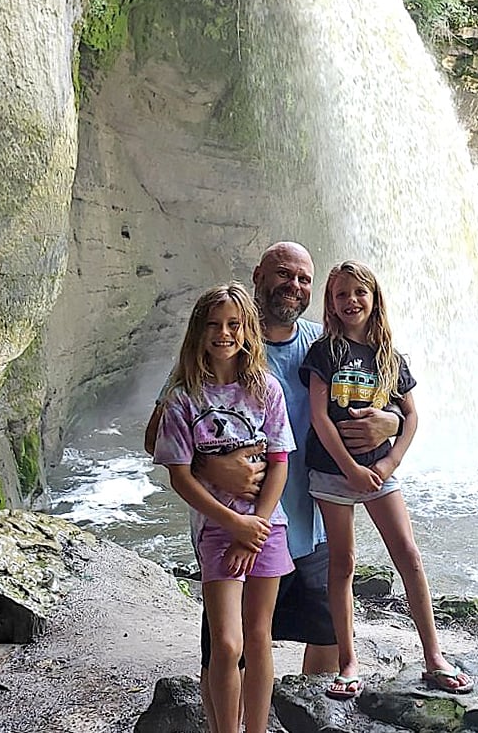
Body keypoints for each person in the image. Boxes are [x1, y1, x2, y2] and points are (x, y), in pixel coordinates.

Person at [145, 243, 401, 728]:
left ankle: (301, 719)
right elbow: (156, 438)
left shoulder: (322, 344)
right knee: (226, 645)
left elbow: (392, 392)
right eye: (284, 274)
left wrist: (388, 422)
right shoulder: (213, 350)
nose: (294, 286)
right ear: (259, 275)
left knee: (321, 636)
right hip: (228, 524)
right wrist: (211, 466)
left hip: (309, 520)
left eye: (305, 279)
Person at [299, 260, 474, 700]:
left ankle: (433, 656)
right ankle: (349, 662)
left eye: (360, 293)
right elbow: (319, 417)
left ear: (375, 299)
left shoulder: (390, 357)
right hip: (332, 472)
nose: (351, 301)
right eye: (341, 295)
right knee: (343, 563)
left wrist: (388, 464)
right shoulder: (323, 352)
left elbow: (411, 416)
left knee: (409, 556)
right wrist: (350, 468)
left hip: (381, 473)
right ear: (331, 304)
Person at [153, 283, 296, 733]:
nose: (224, 333)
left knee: (259, 638)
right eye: (214, 325)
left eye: (234, 325)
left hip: (266, 525)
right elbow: (179, 475)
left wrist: (255, 524)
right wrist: (234, 523)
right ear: (198, 331)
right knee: (227, 644)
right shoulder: (183, 397)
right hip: (217, 528)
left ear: (248, 331)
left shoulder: (266, 389)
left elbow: (279, 463)